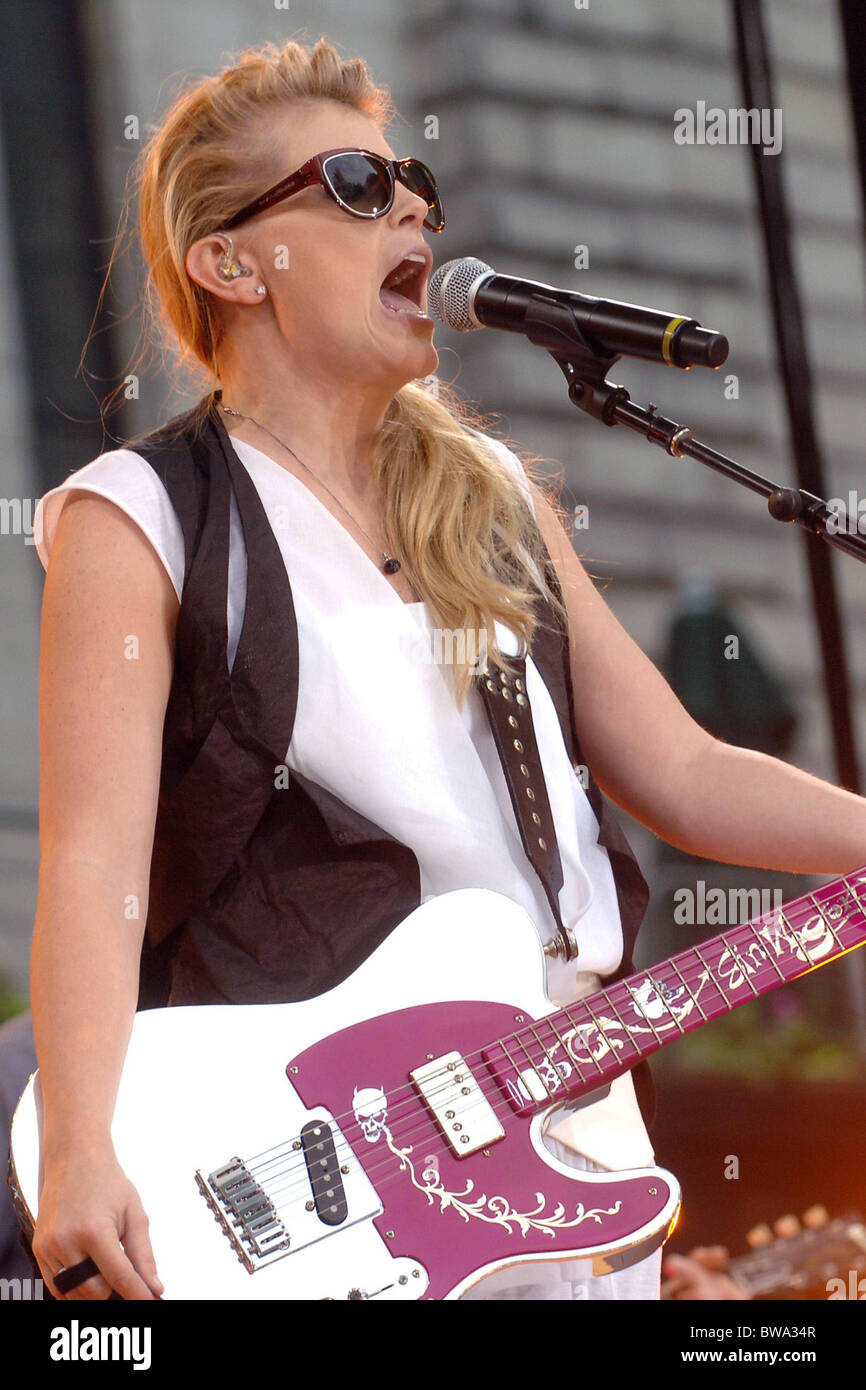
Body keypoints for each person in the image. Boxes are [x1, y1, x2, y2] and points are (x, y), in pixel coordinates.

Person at [26, 36, 866, 1303]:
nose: (413, 205)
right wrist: (80, 1150)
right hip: (333, 1153)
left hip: (573, 1119)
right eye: (358, 185)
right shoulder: (142, 514)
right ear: (231, 261)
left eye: (416, 180)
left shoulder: (488, 500)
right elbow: (92, 865)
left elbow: (684, 772)